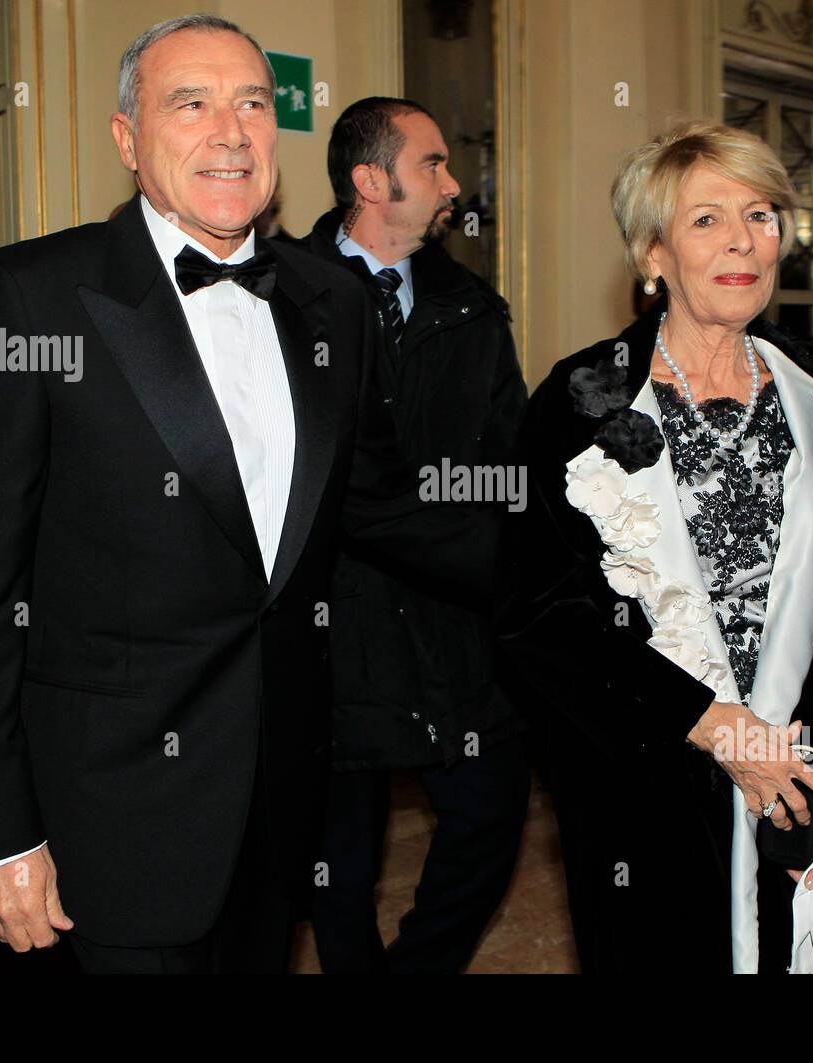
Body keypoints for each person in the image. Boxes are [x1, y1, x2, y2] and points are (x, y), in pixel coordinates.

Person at [0, 14, 486, 975]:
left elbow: (376, 503)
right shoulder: (31, 298)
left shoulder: (329, 299)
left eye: (253, 103)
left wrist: (571, 549)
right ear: (127, 141)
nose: (231, 130)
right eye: (192, 103)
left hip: (281, 799)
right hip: (104, 819)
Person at [496, 120, 813, 973]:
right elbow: (537, 616)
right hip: (641, 770)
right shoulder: (580, 401)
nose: (742, 241)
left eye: (761, 214)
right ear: (652, 253)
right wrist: (713, 727)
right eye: (706, 219)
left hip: (795, 771)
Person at [301, 97, 529, 973]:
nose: (454, 184)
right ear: (371, 179)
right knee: (339, 858)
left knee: (491, 812)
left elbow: (507, 460)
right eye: (433, 163)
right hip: (334, 629)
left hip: (456, 620)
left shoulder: (472, 306)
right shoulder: (284, 293)